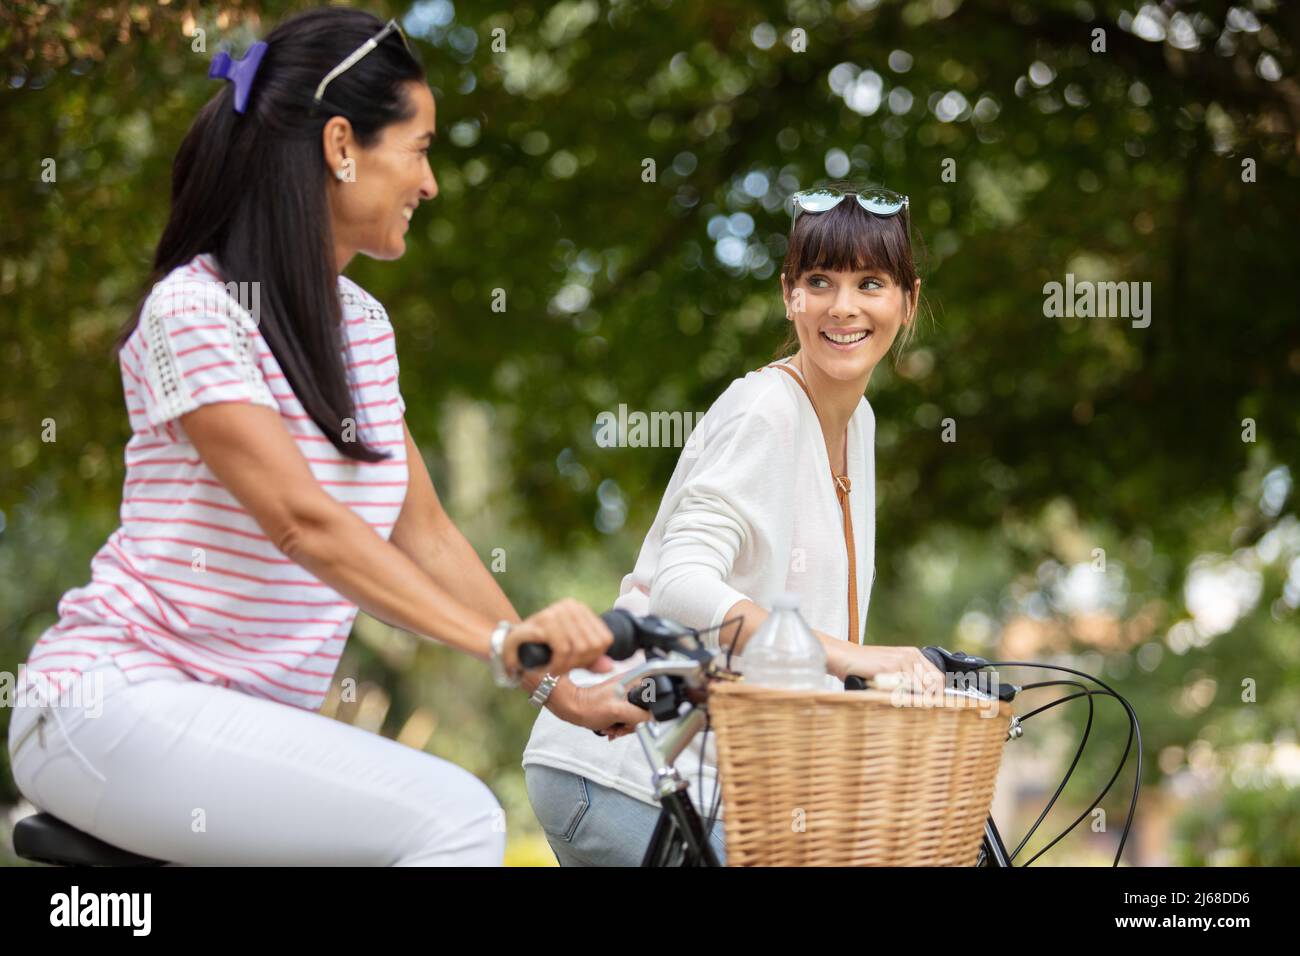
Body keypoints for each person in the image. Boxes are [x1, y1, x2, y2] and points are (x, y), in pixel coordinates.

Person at [6, 7, 643, 867]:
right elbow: (303, 522)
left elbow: (423, 535)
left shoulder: (364, 330)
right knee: (455, 817)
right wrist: (500, 646)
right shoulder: (195, 311)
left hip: (235, 725)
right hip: (109, 703)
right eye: (418, 149)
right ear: (342, 146)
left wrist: (556, 683)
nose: (432, 183)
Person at [521, 183, 945, 866]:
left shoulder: (859, 423)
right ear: (790, 295)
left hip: (720, 785)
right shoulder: (765, 411)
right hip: (629, 770)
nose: (843, 305)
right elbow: (681, 587)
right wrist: (850, 656)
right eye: (819, 280)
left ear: (908, 300)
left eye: (871, 282)